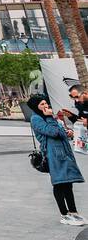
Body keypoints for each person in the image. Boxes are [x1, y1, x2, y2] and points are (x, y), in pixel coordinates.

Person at [28, 93, 85, 225]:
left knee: (68, 183)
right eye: (42, 104)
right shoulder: (36, 119)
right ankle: (64, 214)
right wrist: (49, 118)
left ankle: (73, 212)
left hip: (64, 153)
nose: (45, 105)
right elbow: (52, 132)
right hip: (52, 155)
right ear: (35, 106)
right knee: (59, 183)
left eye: (46, 103)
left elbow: (59, 132)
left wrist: (68, 133)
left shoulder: (50, 117)